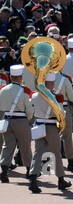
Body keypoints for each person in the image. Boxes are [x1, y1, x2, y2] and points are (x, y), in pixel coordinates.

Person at [0, 64, 39, 192]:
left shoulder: (3, 89)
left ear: (11, 77)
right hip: (21, 119)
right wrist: (28, 119)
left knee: (7, 145)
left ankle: (4, 171)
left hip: (7, 119)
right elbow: (29, 109)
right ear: (20, 77)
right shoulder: (23, 91)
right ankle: (29, 171)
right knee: (25, 146)